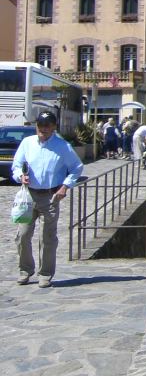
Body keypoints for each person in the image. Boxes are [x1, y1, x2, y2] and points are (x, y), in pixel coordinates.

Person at [12, 110, 84, 287]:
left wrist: (65, 186)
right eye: (40, 125)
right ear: (36, 125)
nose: (43, 128)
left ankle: (45, 273)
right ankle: (25, 270)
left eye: (47, 125)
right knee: (22, 235)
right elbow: (16, 166)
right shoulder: (27, 143)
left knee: (48, 237)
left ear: (53, 127)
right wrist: (20, 176)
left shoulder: (63, 146)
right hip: (28, 196)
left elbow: (76, 167)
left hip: (51, 197)